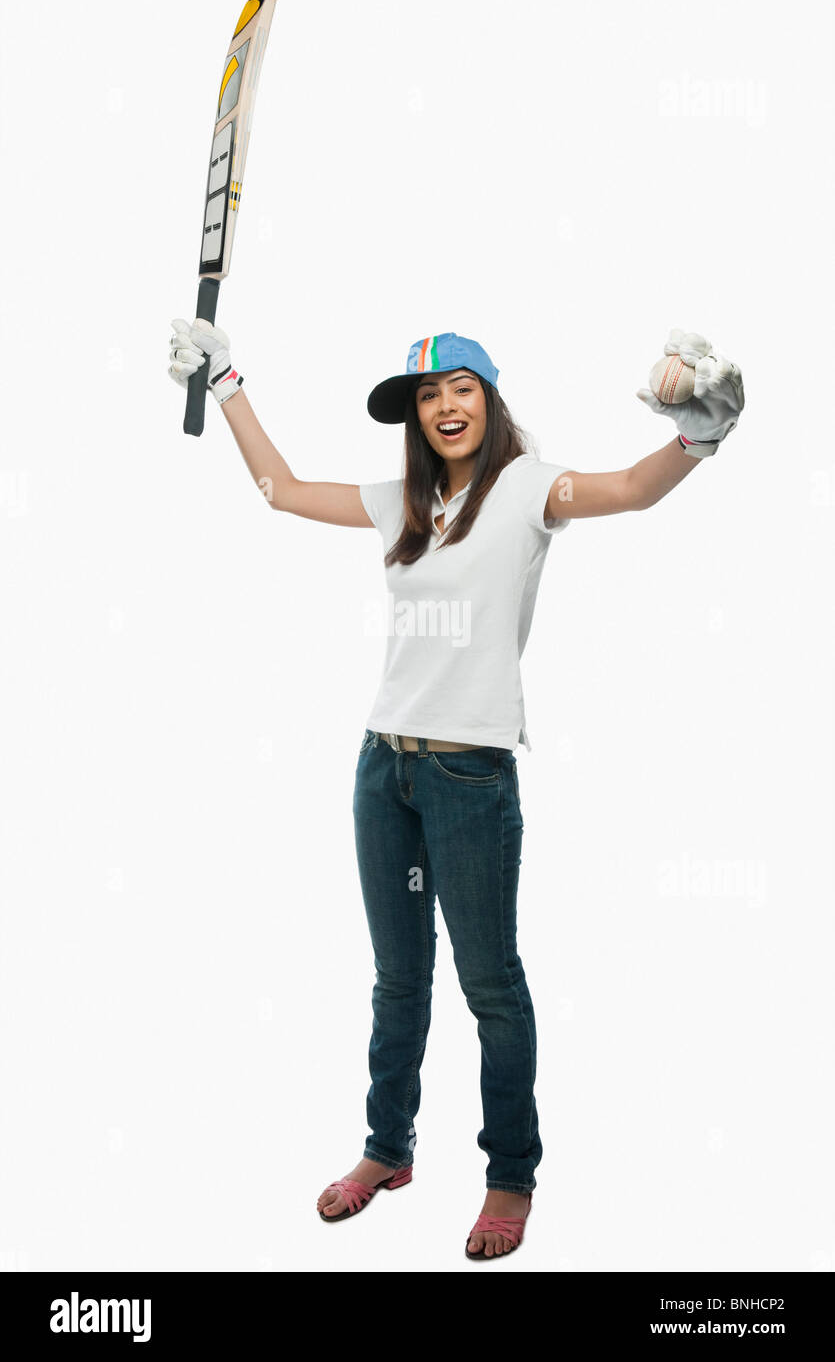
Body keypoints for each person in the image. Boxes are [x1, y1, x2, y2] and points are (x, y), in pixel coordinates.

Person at [169, 321, 744, 1259]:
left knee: (491, 987)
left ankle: (509, 1175)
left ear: (489, 398)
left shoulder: (526, 489)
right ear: (412, 415)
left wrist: (698, 437)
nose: (444, 405)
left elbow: (633, 492)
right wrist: (226, 379)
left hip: (469, 776)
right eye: (426, 395)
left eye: (461, 388)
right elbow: (278, 494)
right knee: (397, 982)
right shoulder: (401, 499)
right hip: (382, 769)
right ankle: (385, 1149)